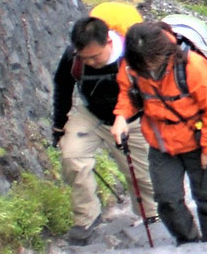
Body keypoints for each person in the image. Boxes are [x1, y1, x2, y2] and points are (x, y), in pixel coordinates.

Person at [111, 21, 207, 245]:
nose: (149, 67)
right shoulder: (132, 66)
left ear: (165, 51)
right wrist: (120, 117)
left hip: (200, 142)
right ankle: (188, 244)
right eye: (143, 63)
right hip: (161, 144)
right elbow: (127, 93)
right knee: (166, 199)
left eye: (152, 61)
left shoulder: (192, 66)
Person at [53, 14, 157, 245]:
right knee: (72, 157)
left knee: (141, 175)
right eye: (85, 58)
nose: (89, 62)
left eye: (95, 56)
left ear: (109, 42)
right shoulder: (72, 57)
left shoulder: (132, 55)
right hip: (91, 115)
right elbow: (62, 87)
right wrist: (58, 125)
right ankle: (86, 217)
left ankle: (151, 217)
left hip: (133, 119)